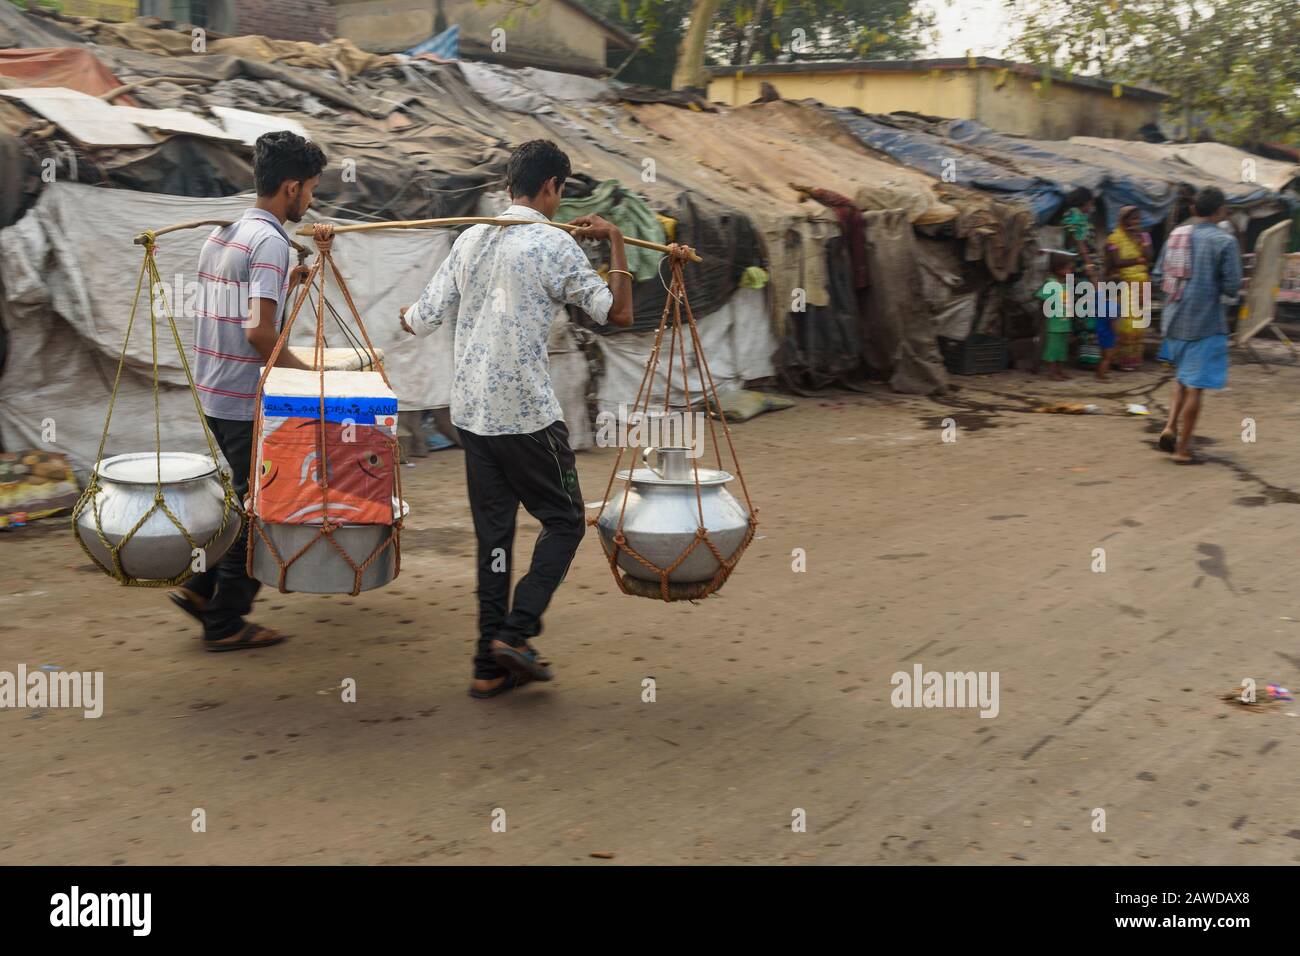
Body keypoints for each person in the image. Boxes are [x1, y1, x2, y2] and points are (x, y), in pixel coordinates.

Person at [400, 140, 635, 699]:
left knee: (496, 538)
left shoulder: (471, 236)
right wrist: (617, 242)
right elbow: (618, 312)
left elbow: (419, 320)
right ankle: (516, 631)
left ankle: (487, 664)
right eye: (559, 191)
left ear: (510, 185)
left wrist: (402, 315)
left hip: (472, 415)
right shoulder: (554, 244)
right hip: (526, 414)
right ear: (552, 186)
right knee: (565, 521)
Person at [168, 130, 326, 650]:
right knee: (269, 508)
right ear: (290, 187)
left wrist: (288, 282)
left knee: (244, 498)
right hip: (243, 399)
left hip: (214, 389)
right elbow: (259, 332)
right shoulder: (271, 242)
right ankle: (227, 621)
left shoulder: (223, 234)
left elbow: (238, 304)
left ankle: (200, 589)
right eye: (310, 189)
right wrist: (309, 377)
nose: (311, 199)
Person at [1153, 186, 1242, 464]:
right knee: (1196, 387)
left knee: (1181, 378)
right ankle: (1182, 449)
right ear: (1220, 211)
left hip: (1174, 318)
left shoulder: (1175, 236)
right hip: (1205, 322)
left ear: (1194, 209)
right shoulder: (1224, 241)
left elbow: (1158, 276)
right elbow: (1231, 286)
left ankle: (1169, 426)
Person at [1060, 188, 1115, 379]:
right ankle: (1088, 359)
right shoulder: (1074, 215)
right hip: (1082, 271)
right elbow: (1079, 241)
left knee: (1088, 314)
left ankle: (1088, 357)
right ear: (1084, 201)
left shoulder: (1076, 216)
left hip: (1084, 270)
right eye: (1091, 202)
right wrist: (1090, 266)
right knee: (1087, 315)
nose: (1092, 206)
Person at [1105, 206, 1153, 371]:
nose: (1136, 222)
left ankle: (1133, 359)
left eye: (1138, 219)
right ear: (1124, 220)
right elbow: (1117, 262)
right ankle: (1118, 359)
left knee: (1138, 323)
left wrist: (1142, 239)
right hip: (1124, 283)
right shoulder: (1114, 239)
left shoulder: (1144, 236)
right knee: (1125, 322)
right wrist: (1138, 260)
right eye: (1133, 219)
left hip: (1142, 284)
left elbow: (1149, 256)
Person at [1037, 251, 1074, 380]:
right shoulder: (1051, 283)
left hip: (1064, 323)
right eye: (1068, 268)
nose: (1070, 271)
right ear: (1059, 269)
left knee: (1062, 350)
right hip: (1054, 324)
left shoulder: (1064, 283)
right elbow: (1041, 296)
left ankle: (1060, 371)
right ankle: (1052, 373)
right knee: (1052, 349)